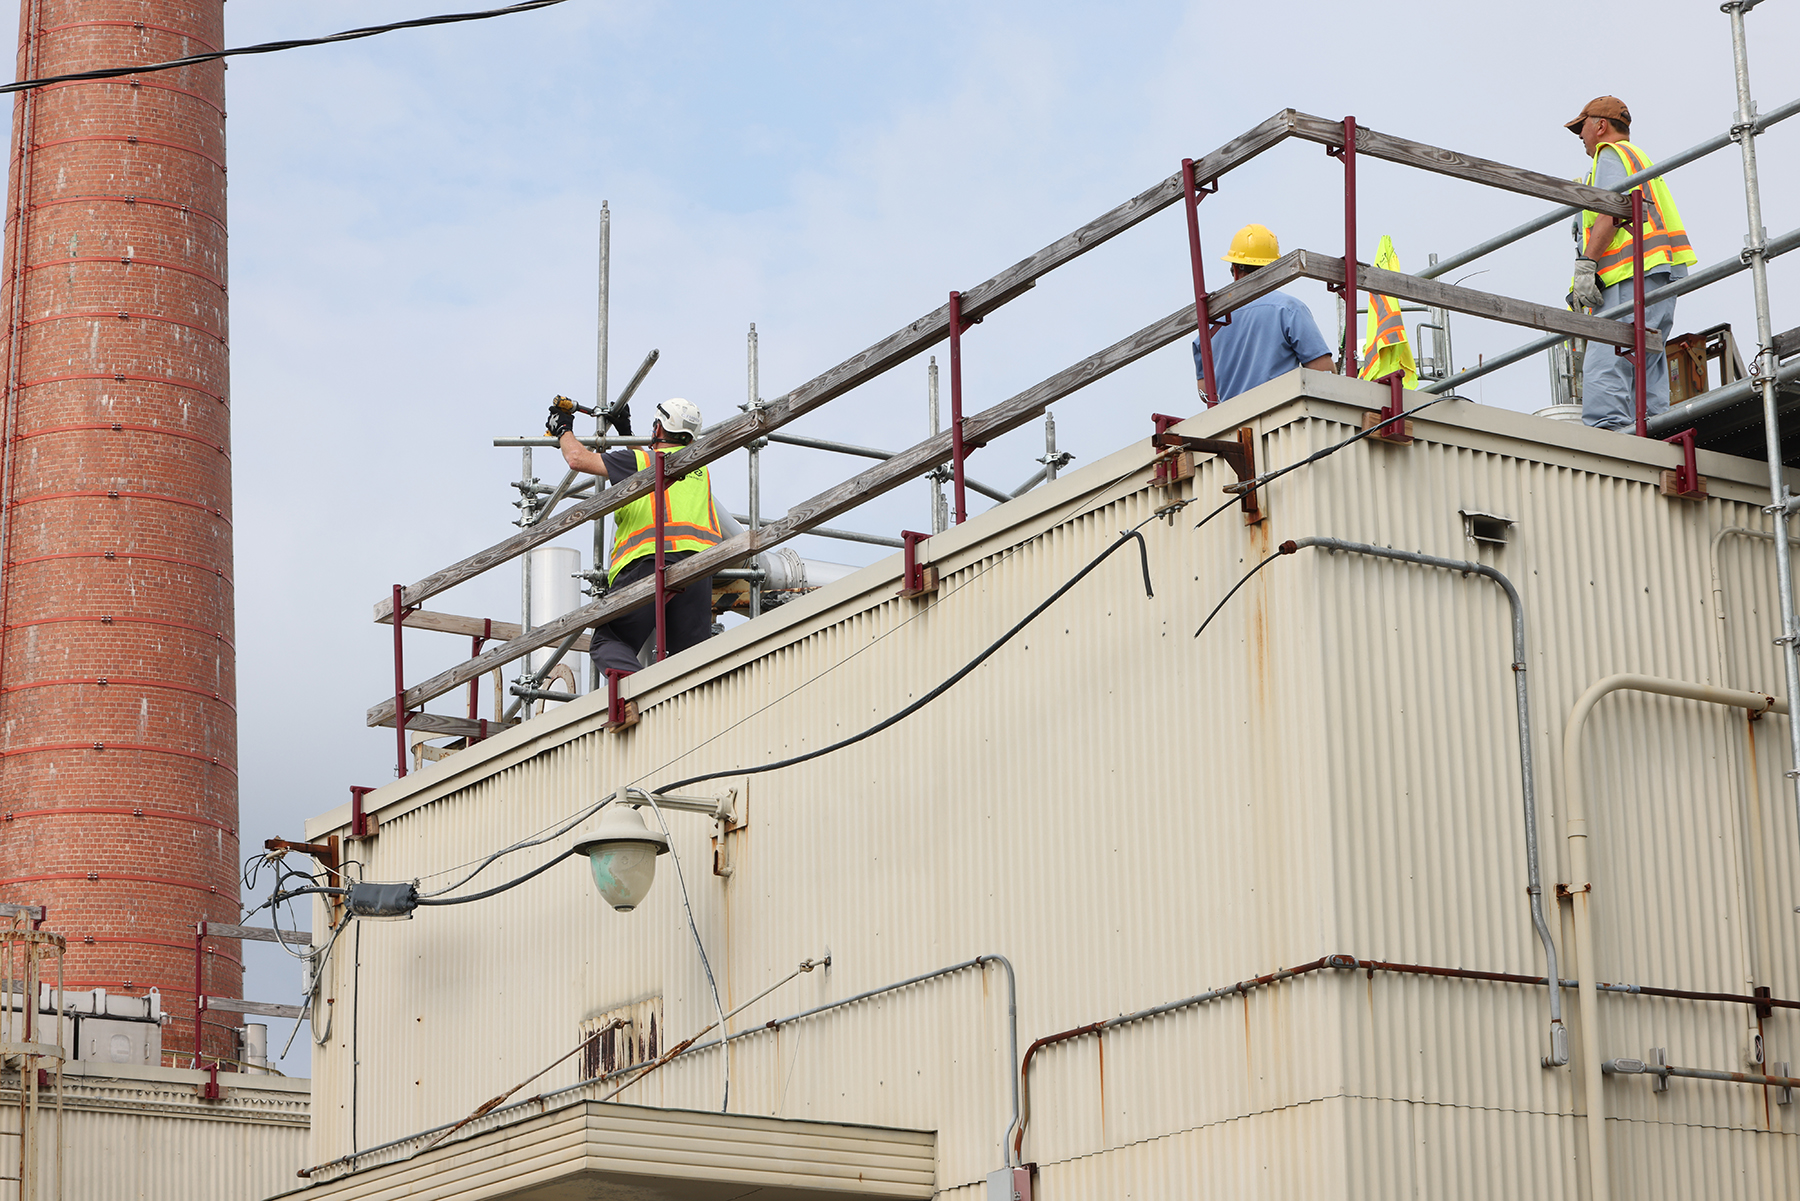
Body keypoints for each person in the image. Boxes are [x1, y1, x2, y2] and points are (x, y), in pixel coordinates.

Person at [549, 396, 722, 676]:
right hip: (698, 571)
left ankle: (635, 694)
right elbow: (653, 466)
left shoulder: (640, 460)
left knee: (610, 640)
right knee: (690, 660)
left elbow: (577, 458)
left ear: (657, 428)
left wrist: (563, 429)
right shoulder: (699, 469)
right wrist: (625, 432)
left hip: (648, 563)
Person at [1565, 96, 1697, 431]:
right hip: (1661, 273)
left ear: (1600, 125)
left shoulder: (1609, 155)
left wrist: (1586, 266)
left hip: (1629, 275)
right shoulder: (1638, 158)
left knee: (1607, 356)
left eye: (1582, 127)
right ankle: (1654, 429)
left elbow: (1612, 211)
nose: (1580, 135)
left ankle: (1607, 437)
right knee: (1647, 356)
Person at [1192, 223, 1334, 403]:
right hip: (1279, 422)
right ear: (1277, 269)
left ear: (1235, 270)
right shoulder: (1289, 309)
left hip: (1228, 425)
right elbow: (1323, 373)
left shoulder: (1211, 323)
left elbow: (1205, 392)